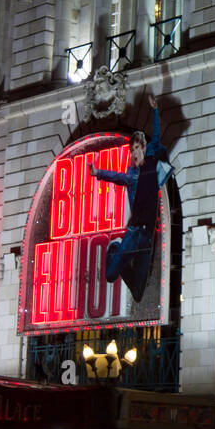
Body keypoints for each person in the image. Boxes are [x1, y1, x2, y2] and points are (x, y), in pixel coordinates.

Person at [89, 92, 173, 303]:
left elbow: (155, 134)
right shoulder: (132, 175)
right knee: (109, 276)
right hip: (134, 232)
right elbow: (117, 177)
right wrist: (98, 173)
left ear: (144, 148)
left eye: (137, 148)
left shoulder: (152, 160)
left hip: (148, 236)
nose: (135, 153)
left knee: (137, 294)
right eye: (132, 150)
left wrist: (154, 110)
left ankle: (124, 259)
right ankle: (116, 248)